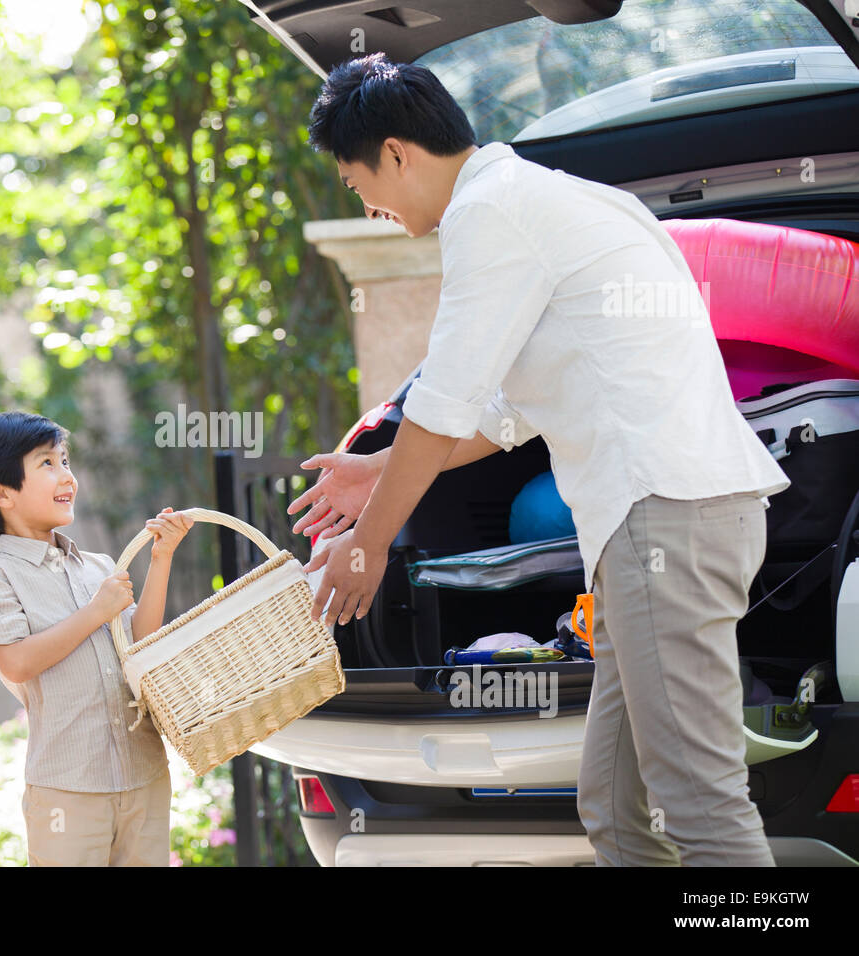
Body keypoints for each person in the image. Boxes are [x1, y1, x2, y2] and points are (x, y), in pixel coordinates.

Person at [290, 54, 790, 867]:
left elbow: (444, 398)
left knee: (699, 805)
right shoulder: (567, 200)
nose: (371, 208)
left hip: (665, 518)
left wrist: (369, 542)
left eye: (356, 187)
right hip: (679, 517)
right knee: (617, 812)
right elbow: (503, 415)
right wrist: (376, 470)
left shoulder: (492, 214)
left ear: (395, 153)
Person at [0, 411, 193, 866]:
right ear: (0, 491)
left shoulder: (100, 566)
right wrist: (95, 613)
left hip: (145, 774)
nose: (68, 476)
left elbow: (139, 646)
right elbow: (16, 662)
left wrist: (161, 559)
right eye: (47, 464)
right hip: (67, 788)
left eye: (65, 461)